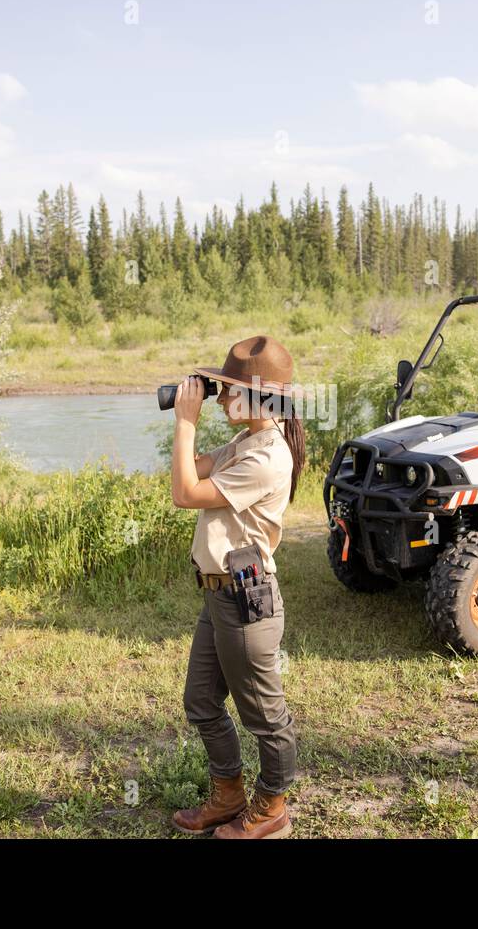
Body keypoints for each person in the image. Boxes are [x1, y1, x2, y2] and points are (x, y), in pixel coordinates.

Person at [168, 334, 305, 839]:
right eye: (219, 388)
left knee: (265, 716)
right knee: (201, 702)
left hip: (246, 601)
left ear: (261, 397)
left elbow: (186, 493)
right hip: (218, 594)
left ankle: (273, 807)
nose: (221, 397)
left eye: (229, 389)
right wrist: (191, 417)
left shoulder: (267, 456)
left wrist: (185, 421)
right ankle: (228, 797)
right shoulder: (244, 443)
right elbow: (192, 470)